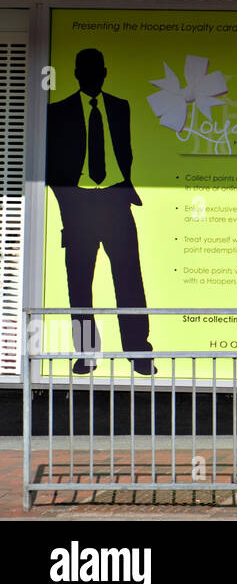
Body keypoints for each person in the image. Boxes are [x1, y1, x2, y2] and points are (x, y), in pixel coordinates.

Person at [46, 48, 154, 375]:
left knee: (129, 280)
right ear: (77, 74)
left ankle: (139, 353)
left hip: (116, 202)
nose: (92, 76)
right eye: (86, 71)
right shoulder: (58, 113)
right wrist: (68, 200)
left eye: (97, 71)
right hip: (79, 204)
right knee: (80, 284)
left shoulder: (121, 108)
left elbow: (125, 153)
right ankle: (87, 354)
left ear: (104, 73)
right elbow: (50, 165)